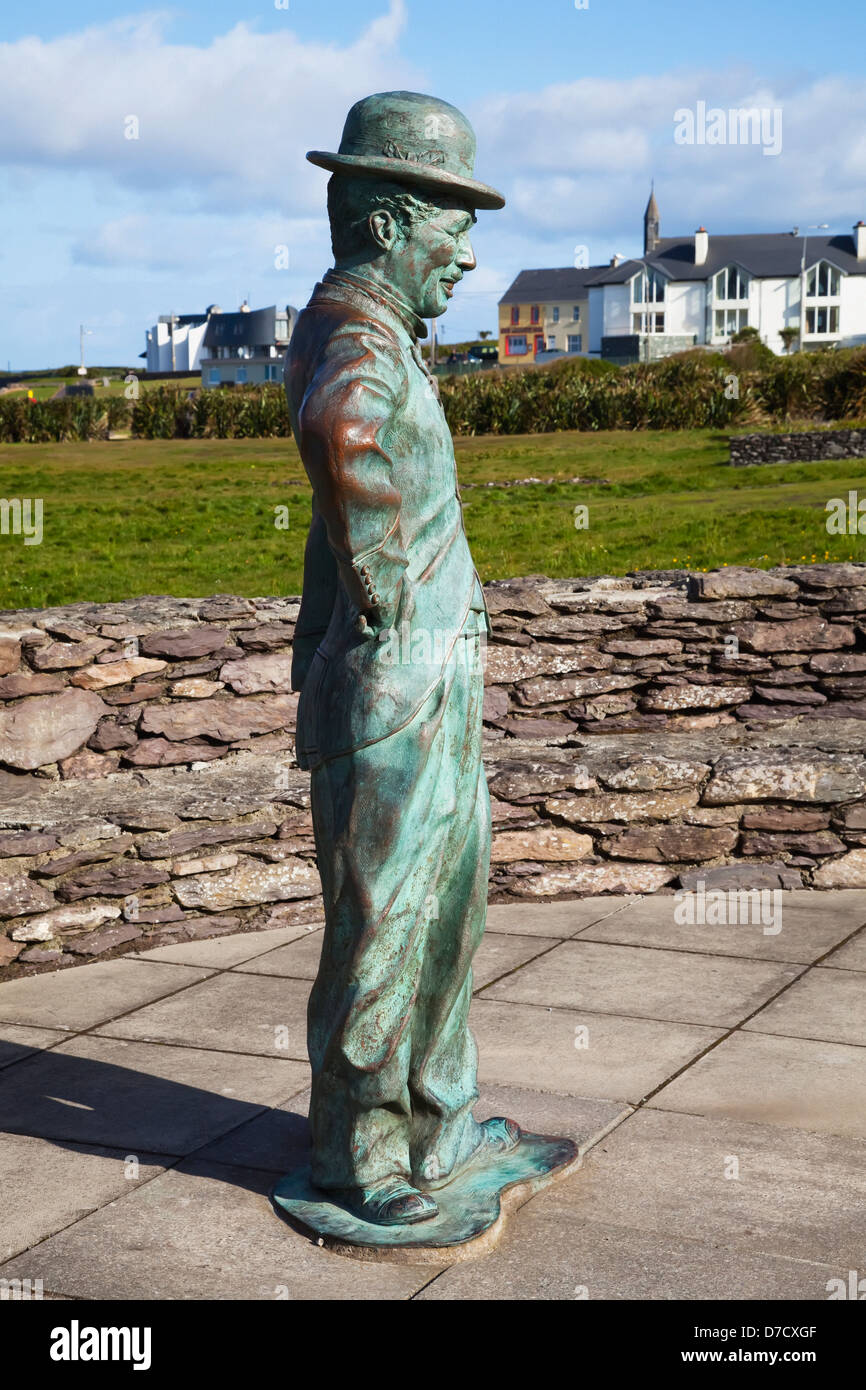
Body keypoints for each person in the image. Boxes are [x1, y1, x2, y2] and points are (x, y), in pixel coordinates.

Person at [286, 91, 521, 1227]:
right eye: (453, 223)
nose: (468, 255)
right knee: (384, 924)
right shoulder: (355, 333)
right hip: (397, 689)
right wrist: (383, 597)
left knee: (448, 907)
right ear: (384, 222)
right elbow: (341, 432)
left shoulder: (374, 327)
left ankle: (438, 1123)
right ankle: (361, 1157)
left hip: (429, 682)